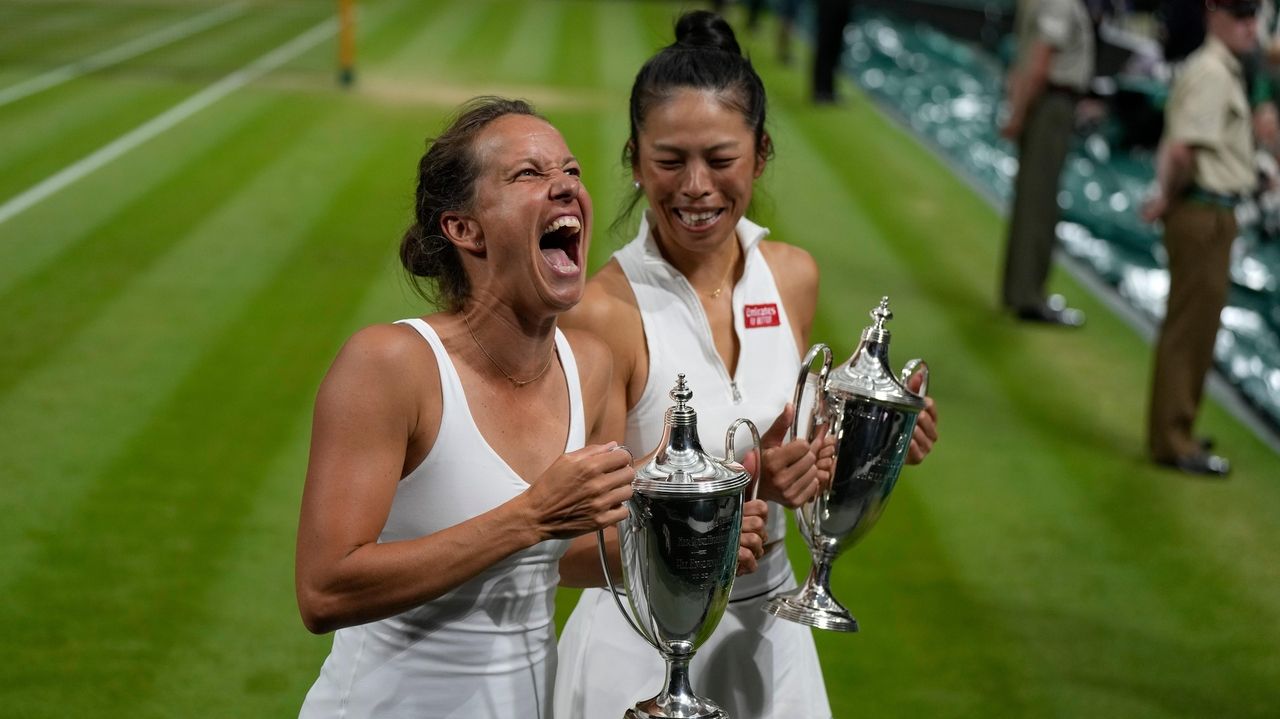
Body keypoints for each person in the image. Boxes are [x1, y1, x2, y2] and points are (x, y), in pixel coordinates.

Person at [553, 12, 939, 718]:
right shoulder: (602, 312)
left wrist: (871, 444)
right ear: (634, 159)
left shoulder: (792, 276)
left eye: (720, 159)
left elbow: (804, 455)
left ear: (760, 155)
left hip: (771, 637)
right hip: (638, 657)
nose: (696, 186)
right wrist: (711, 525)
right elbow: (573, 544)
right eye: (670, 161)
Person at [293, 97, 640, 718]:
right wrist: (530, 516)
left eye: (571, 170)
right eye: (529, 174)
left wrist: (696, 530)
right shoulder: (392, 364)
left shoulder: (590, 365)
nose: (565, 185)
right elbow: (325, 590)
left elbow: (571, 557)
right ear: (464, 229)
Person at [1140, 0, 1260, 477]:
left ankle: (1179, 427)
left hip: (1208, 208)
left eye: (1254, 14)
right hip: (1203, 210)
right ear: (1216, 15)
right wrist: (1168, 197)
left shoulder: (1219, 68)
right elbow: (1183, 149)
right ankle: (1172, 439)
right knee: (1190, 330)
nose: (1250, 25)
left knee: (1196, 329)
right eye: (1241, 13)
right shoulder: (1213, 71)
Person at [999, 0, 1095, 326]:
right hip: (1049, 103)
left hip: (1045, 102)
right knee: (1038, 203)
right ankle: (1028, 296)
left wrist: (1017, 108)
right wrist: (1019, 113)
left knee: (1033, 199)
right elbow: (1039, 61)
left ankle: (1020, 290)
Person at [812, 0, 852, 104]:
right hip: (830, 5)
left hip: (842, 5)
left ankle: (829, 89)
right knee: (826, 45)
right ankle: (820, 91)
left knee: (835, 47)